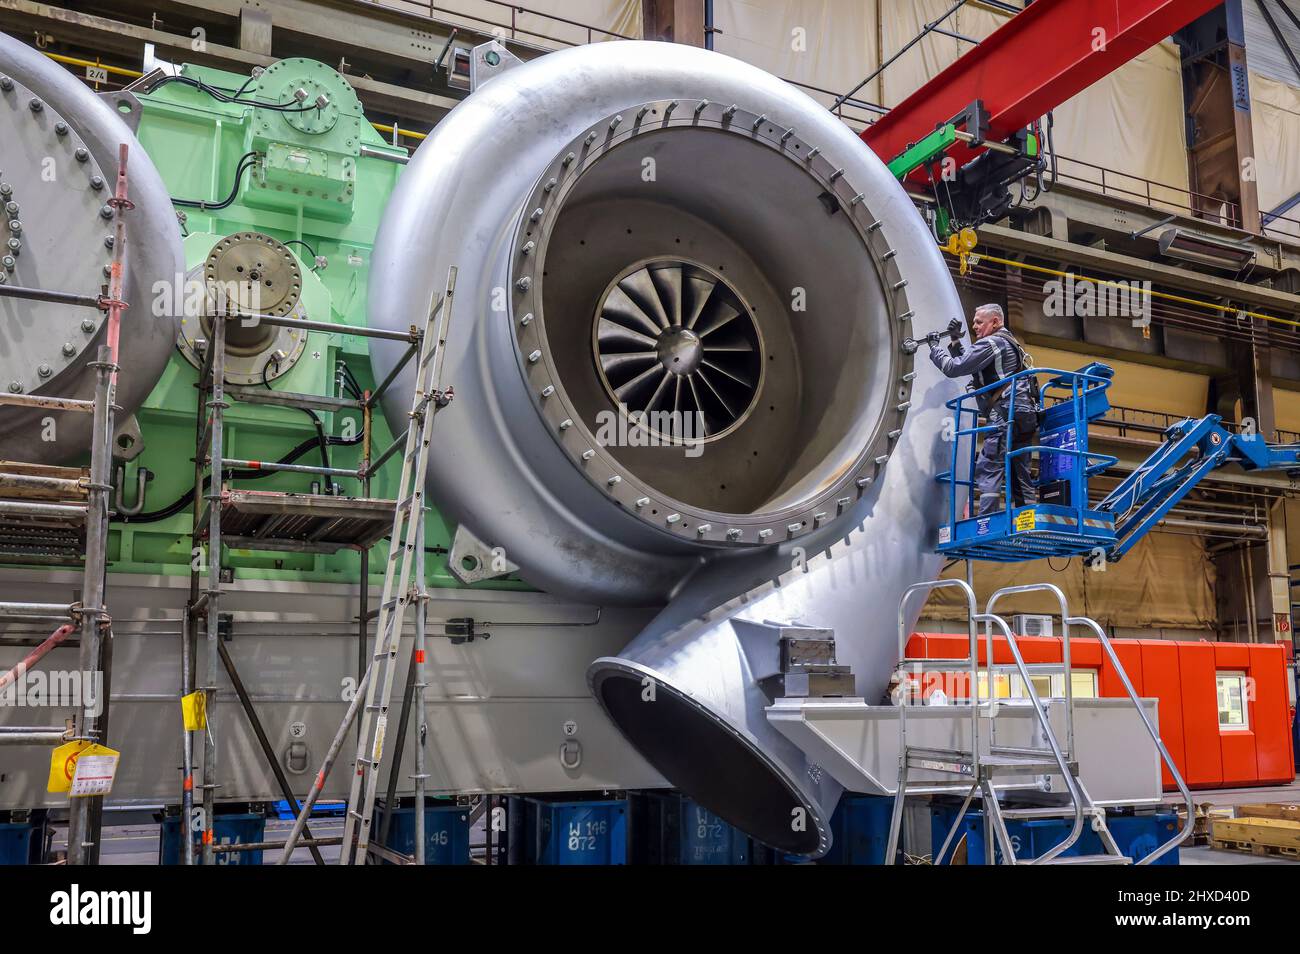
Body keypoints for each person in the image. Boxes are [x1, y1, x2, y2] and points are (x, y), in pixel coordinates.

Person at [928, 304, 1038, 517]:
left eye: (979, 322)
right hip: (1023, 413)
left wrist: (935, 348)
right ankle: (1028, 520)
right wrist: (954, 341)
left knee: (989, 467)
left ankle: (986, 524)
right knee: (1019, 471)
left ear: (995, 322)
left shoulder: (992, 342)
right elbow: (975, 363)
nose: (974, 326)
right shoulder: (1009, 342)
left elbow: (955, 368)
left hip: (1005, 412)